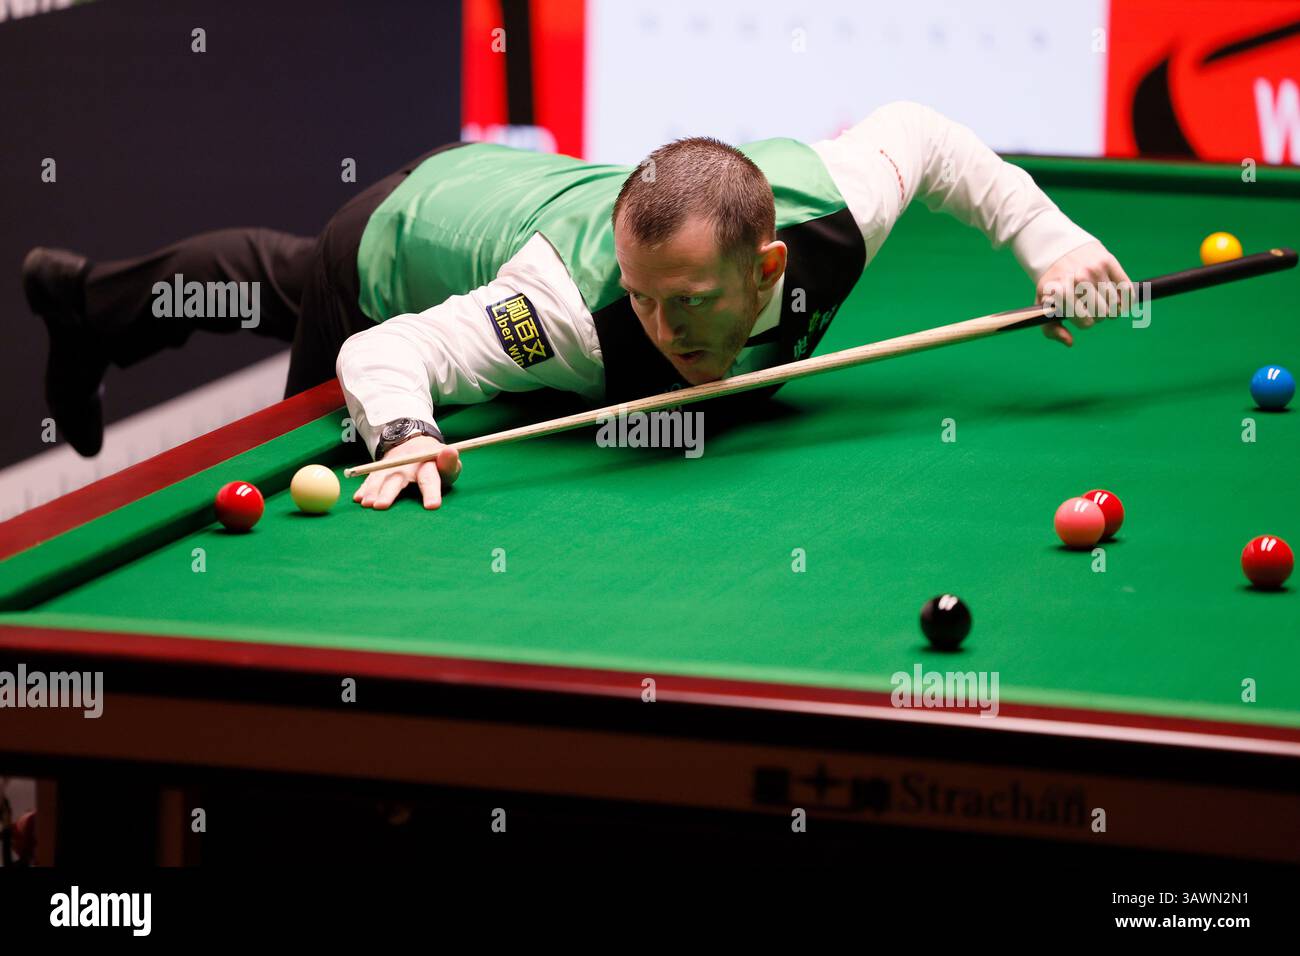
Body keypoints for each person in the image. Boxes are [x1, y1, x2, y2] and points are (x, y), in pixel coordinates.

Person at [22, 101, 1129, 509]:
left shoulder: (837, 208)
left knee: (272, 272)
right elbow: (389, 351)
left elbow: (927, 136)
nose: (661, 330)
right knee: (312, 283)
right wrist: (407, 432)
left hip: (496, 201)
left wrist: (1052, 240)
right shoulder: (562, 315)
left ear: (772, 268)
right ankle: (91, 308)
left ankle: (87, 304)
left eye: (690, 304)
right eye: (643, 303)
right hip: (403, 238)